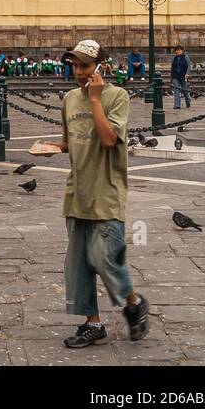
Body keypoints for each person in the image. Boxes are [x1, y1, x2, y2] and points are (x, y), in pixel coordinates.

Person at [57, 38, 149, 349]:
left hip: (106, 192)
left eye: (85, 65)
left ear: (101, 67)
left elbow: (110, 140)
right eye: (75, 66)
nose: (79, 72)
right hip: (77, 193)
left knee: (104, 258)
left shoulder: (117, 97)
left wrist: (96, 100)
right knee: (78, 264)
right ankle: (92, 324)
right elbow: (71, 140)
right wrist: (53, 147)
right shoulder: (69, 99)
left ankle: (134, 304)